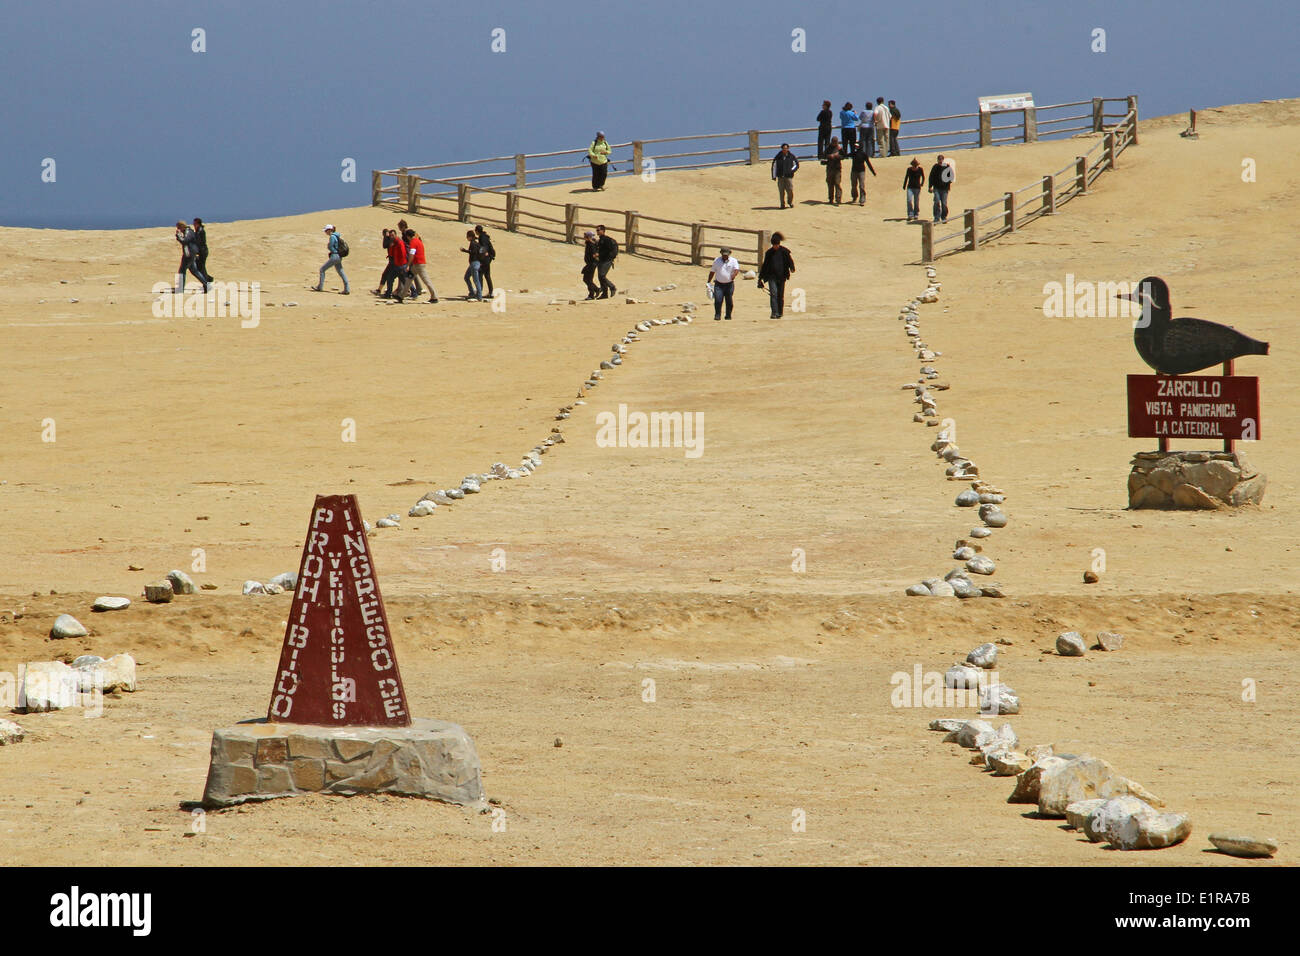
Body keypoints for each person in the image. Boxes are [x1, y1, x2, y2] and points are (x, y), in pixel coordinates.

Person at [757, 232, 795, 319]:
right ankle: (774, 312)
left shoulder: (785, 251)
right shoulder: (769, 253)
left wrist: (792, 268)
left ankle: (780, 313)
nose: (775, 246)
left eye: (776, 245)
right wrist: (760, 278)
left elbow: (790, 261)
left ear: (779, 244)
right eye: (774, 245)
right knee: (773, 294)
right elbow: (765, 266)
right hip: (771, 277)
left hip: (782, 277)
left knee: (780, 295)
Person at [707, 246, 741, 321]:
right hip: (718, 284)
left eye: (726, 255)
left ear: (729, 254)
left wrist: (734, 275)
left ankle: (728, 315)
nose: (725, 256)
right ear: (721, 254)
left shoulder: (733, 261)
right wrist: (708, 281)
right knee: (718, 300)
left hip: (729, 284)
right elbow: (712, 271)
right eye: (723, 254)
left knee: (729, 301)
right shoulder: (717, 260)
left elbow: (736, 269)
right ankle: (717, 315)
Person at [313, 224, 349, 294]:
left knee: (322, 269)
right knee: (341, 272)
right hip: (339, 256)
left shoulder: (332, 237)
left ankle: (320, 287)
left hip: (335, 256)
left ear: (330, 230)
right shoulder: (337, 236)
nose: (325, 232)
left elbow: (331, 246)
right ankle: (347, 289)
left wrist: (330, 249)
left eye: (326, 230)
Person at [174, 220, 207, 293]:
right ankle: (206, 284)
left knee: (182, 271)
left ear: (182, 226)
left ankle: (180, 289)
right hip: (189, 253)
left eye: (178, 227)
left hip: (189, 254)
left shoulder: (188, 232)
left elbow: (184, 241)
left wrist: (178, 236)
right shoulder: (187, 232)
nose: (178, 229)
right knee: (194, 270)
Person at [405, 228, 437, 303]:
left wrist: (408, 264)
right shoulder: (418, 241)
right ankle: (401, 296)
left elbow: (412, 254)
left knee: (426, 281)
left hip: (418, 264)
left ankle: (434, 296)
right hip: (419, 264)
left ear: (408, 236)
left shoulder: (413, 242)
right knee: (409, 280)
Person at [771, 143, 799, 209]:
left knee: (790, 191)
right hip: (780, 177)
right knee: (781, 191)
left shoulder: (791, 156)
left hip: (788, 177)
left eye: (786, 148)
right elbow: (774, 166)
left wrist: (791, 171)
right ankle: (782, 204)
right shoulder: (778, 157)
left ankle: (790, 202)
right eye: (784, 149)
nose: (785, 150)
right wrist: (774, 176)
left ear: (788, 149)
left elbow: (796, 165)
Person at [849, 140, 877, 205]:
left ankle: (862, 199)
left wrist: (873, 172)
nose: (856, 147)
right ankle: (854, 197)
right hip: (854, 171)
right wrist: (840, 150)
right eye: (855, 146)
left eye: (857, 146)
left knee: (861, 186)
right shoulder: (854, 153)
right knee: (853, 185)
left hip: (861, 171)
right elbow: (845, 155)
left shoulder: (863, 154)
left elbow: (868, 163)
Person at [595, 224, 618, 298]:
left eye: (598, 230)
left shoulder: (607, 240)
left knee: (602, 276)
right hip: (601, 260)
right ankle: (605, 294)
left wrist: (599, 254)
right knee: (600, 277)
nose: (597, 232)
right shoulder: (600, 240)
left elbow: (608, 250)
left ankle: (612, 287)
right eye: (596, 230)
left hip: (607, 260)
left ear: (603, 231)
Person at [928, 154, 953, 223]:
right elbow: (931, 177)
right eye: (939, 159)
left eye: (941, 159)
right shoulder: (935, 167)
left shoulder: (947, 167)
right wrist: (930, 187)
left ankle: (944, 217)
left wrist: (947, 183)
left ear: (943, 160)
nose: (940, 161)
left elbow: (951, 176)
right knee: (936, 202)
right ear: (937, 160)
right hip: (936, 188)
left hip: (945, 189)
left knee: (944, 203)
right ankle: (936, 217)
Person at [461, 229, 484, 300]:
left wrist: (465, 250)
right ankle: (472, 293)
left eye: (467, 236)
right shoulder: (476, 243)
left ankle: (479, 296)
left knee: (475, 280)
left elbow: (473, 252)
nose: (467, 238)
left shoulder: (473, 243)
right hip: (475, 263)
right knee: (467, 277)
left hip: (474, 263)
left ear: (470, 237)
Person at [474, 224, 496, 296]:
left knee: (480, 274)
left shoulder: (482, 238)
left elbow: (483, 248)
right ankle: (491, 292)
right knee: (487, 275)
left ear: (477, 231)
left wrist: (481, 259)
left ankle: (479, 292)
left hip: (486, 258)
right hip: (489, 257)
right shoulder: (484, 236)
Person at [823, 137, 843, 205]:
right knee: (830, 184)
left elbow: (843, 156)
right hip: (830, 168)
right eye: (833, 141)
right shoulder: (828, 148)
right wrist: (830, 156)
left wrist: (836, 156)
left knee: (837, 183)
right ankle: (830, 199)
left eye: (836, 141)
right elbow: (824, 155)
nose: (834, 143)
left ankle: (838, 199)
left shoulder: (839, 148)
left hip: (837, 168)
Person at [581, 230, 600, 299]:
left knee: (588, 279)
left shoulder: (591, 244)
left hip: (592, 264)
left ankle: (591, 295)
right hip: (590, 264)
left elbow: (595, 254)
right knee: (586, 279)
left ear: (588, 237)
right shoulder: (589, 243)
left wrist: (595, 256)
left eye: (585, 236)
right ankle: (597, 289)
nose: (584, 237)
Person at [191, 218, 212, 282]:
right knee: (199, 266)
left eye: (194, 224)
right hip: (202, 251)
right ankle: (208, 279)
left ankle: (207, 280)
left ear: (198, 224)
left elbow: (198, 242)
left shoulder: (200, 231)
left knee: (201, 267)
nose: (193, 225)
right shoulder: (198, 230)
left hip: (203, 251)